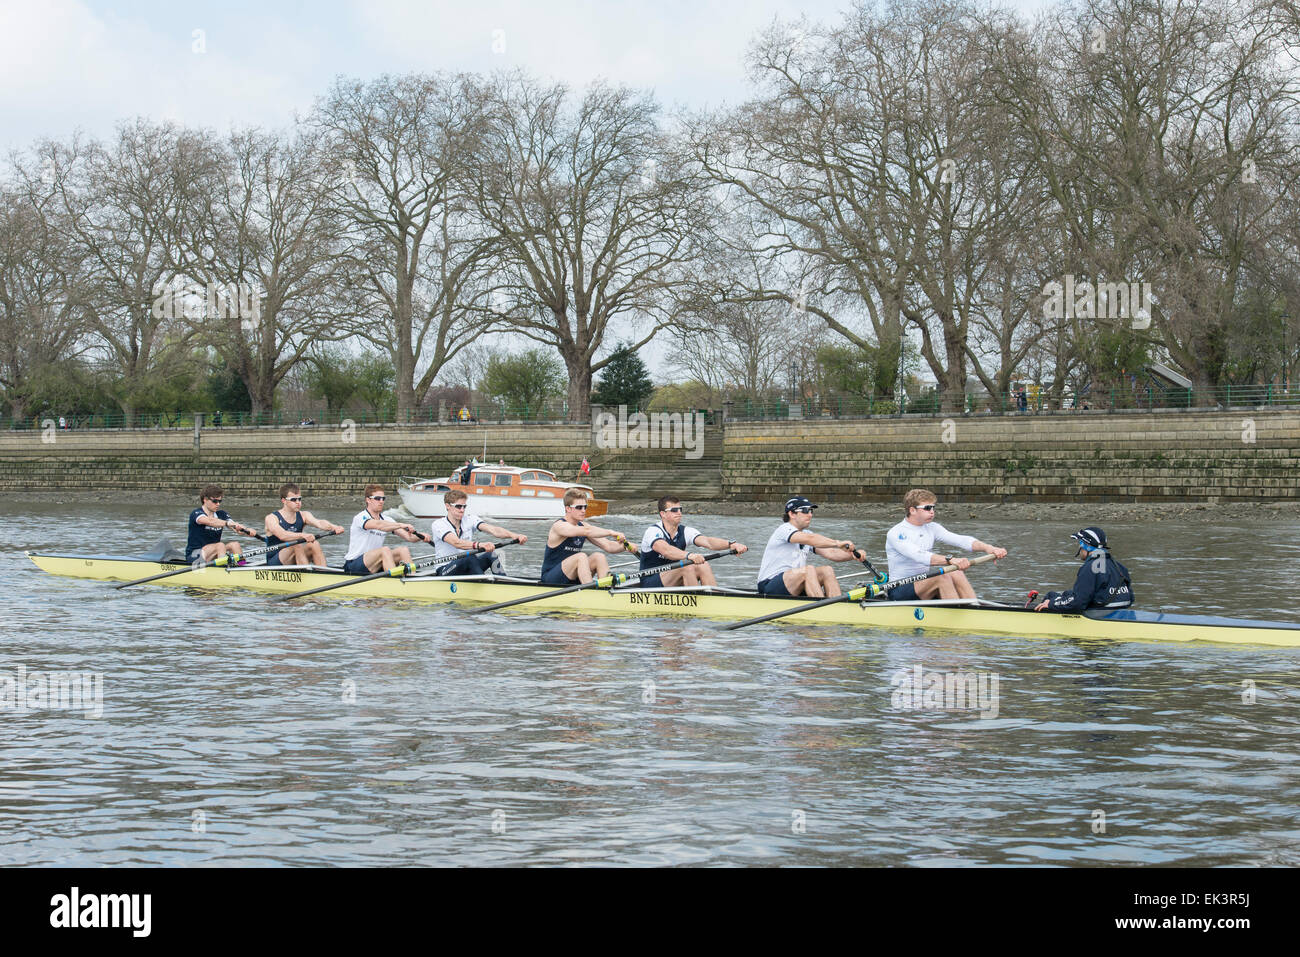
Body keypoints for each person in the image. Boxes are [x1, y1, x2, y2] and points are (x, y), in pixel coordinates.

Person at [885, 489, 1007, 600]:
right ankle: (957, 615)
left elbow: (961, 540)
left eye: (933, 508)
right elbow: (919, 556)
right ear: (912, 510)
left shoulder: (932, 528)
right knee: (942, 576)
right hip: (899, 589)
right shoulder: (896, 533)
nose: (932, 512)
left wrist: (989, 548)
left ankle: (973, 607)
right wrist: (950, 560)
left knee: (955, 572)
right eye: (927, 508)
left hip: (922, 585)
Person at [756, 496, 867, 598]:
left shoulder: (807, 533)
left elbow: (832, 553)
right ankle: (822, 608)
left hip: (794, 583)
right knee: (808, 570)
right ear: (792, 514)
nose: (810, 514)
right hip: (769, 585)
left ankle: (837, 604)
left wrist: (853, 555)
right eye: (805, 511)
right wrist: (838, 543)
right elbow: (811, 539)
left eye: (811, 511)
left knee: (826, 570)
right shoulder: (784, 529)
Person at [639, 496, 746, 587]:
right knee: (687, 566)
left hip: (672, 578)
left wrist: (730, 544)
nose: (679, 513)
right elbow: (666, 550)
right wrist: (690, 555)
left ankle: (714, 597)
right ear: (663, 514)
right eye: (674, 510)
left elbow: (708, 542)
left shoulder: (685, 531)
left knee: (703, 565)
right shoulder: (653, 531)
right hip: (650, 581)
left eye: (680, 509)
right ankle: (696, 601)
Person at [540, 488, 629, 585]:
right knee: (581, 556)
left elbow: (609, 545)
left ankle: (605, 589)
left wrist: (626, 546)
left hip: (573, 576)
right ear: (568, 508)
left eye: (585, 507)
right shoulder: (559, 526)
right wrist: (611, 532)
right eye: (579, 507)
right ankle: (590, 592)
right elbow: (587, 531)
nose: (583, 511)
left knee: (598, 557)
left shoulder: (583, 526)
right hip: (551, 579)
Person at [431, 490, 528, 576]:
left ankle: (503, 582)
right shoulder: (439, 524)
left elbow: (494, 530)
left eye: (464, 506)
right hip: (445, 569)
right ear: (447, 506)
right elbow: (456, 543)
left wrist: (514, 535)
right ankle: (485, 585)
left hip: (466, 565)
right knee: (469, 557)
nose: (462, 510)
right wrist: (480, 545)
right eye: (458, 506)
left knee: (491, 555)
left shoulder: (470, 519)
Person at [1034, 527, 1134, 612]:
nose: (1079, 548)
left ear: (1086, 546)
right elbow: (1131, 598)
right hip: (1118, 612)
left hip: (1098, 615)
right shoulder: (1119, 566)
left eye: (1080, 544)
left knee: (1051, 598)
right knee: (1055, 595)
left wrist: (1051, 604)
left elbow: (1077, 604)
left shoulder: (1090, 568)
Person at [342, 484, 432, 574]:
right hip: (353, 565)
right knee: (385, 550)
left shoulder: (387, 520)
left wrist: (421, 536)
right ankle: (394, 582)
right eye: (377, 498)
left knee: (403, 550)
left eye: (383, 498)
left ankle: (412, 579)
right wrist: (400, 524)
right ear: (368, 500)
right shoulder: (361, 517)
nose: (381, 501)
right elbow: (379, 525)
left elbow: (409, 537)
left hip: (375, 563)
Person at [264, 484, 345, 567]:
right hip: (275, 561)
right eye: (293, 500)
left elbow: (319, 523)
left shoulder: (304, 515)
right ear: (283, 500)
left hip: (295, 557)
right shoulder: (271, 518)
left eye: (299, 499)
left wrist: (334, 527)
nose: (298, 502)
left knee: (314, 544)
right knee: (296, 543)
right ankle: (306, 574)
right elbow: (282, 535)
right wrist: (303, 535)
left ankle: (323, 573)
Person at [186, 485, 259, 564]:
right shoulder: (196, 513)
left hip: (213, 554)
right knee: (220, 546)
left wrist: (246, 530)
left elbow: (235, 527)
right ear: (205, 499)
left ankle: (242, 567)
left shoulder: (221, 514)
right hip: (195, 556)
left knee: (235, 545)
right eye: (215, 501)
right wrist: (227, 523)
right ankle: (222, 569)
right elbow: (210, 521)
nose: (218, 504)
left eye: (219, 501)